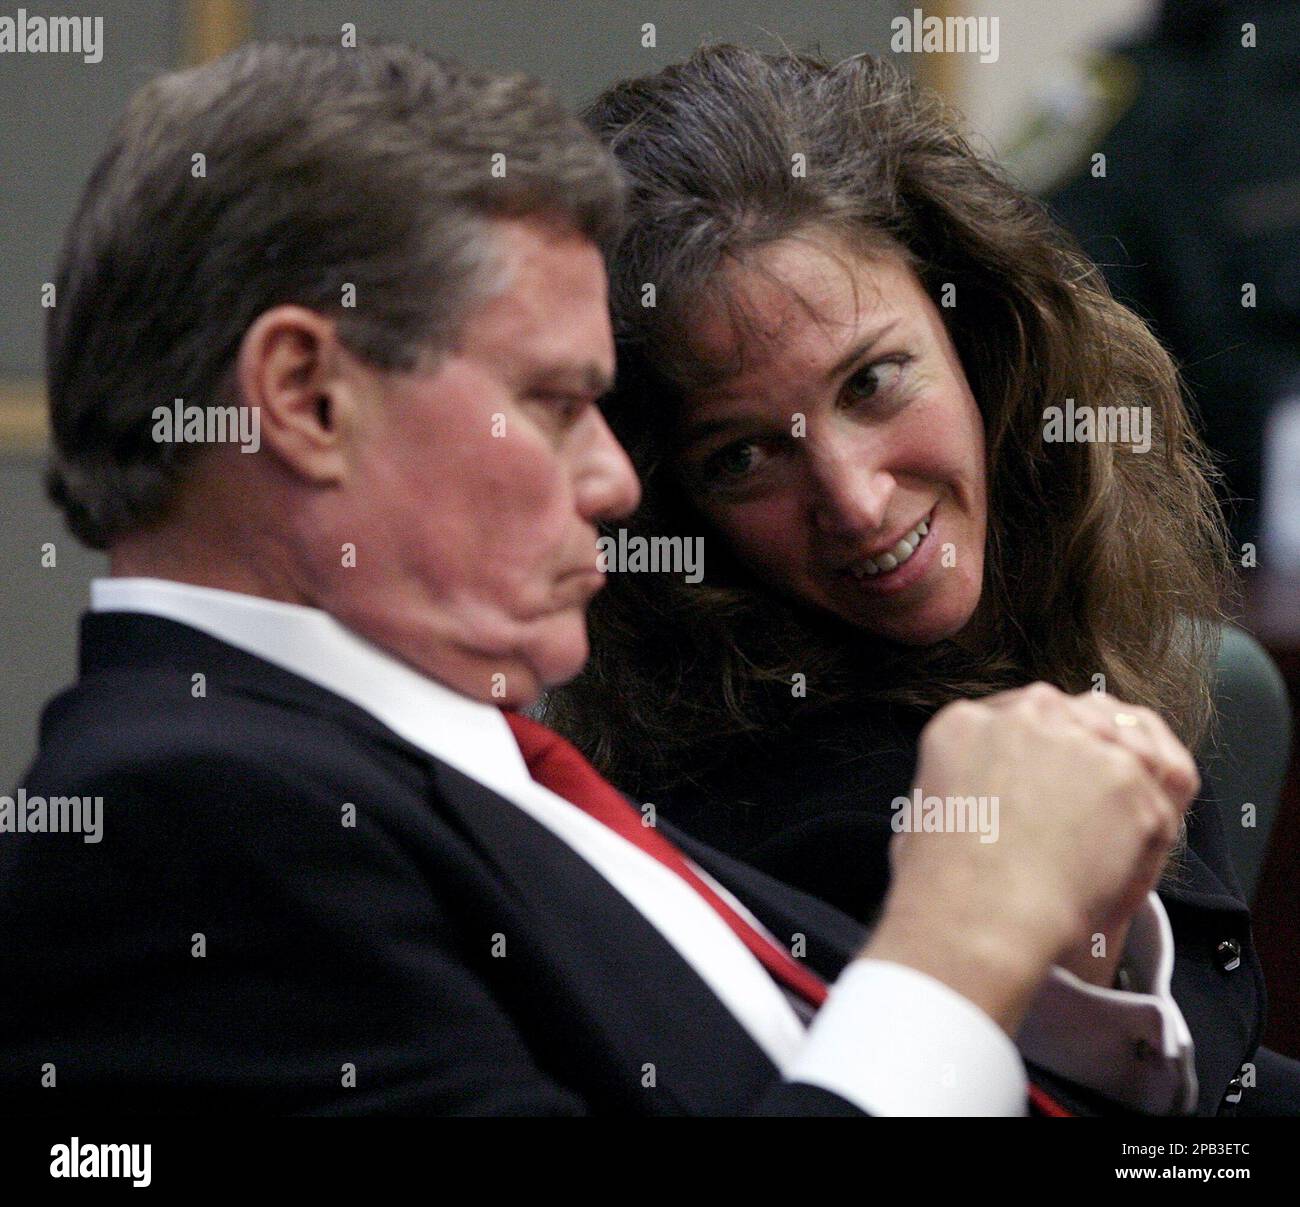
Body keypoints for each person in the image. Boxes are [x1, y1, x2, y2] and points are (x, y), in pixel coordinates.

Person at [0, 39, 1193, 1118]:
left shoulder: (481, 763)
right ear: (311, 399)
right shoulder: (184, 821)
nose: (622, 486)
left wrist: (1056, 939)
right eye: (556, 403)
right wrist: (961, 933)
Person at [544, 44, 1300, 1114]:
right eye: (744, 455)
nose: (852, 500)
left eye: (872, 381)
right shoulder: (780, 811)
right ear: (670, 506)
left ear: (977, 333)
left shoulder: (1069, 604)